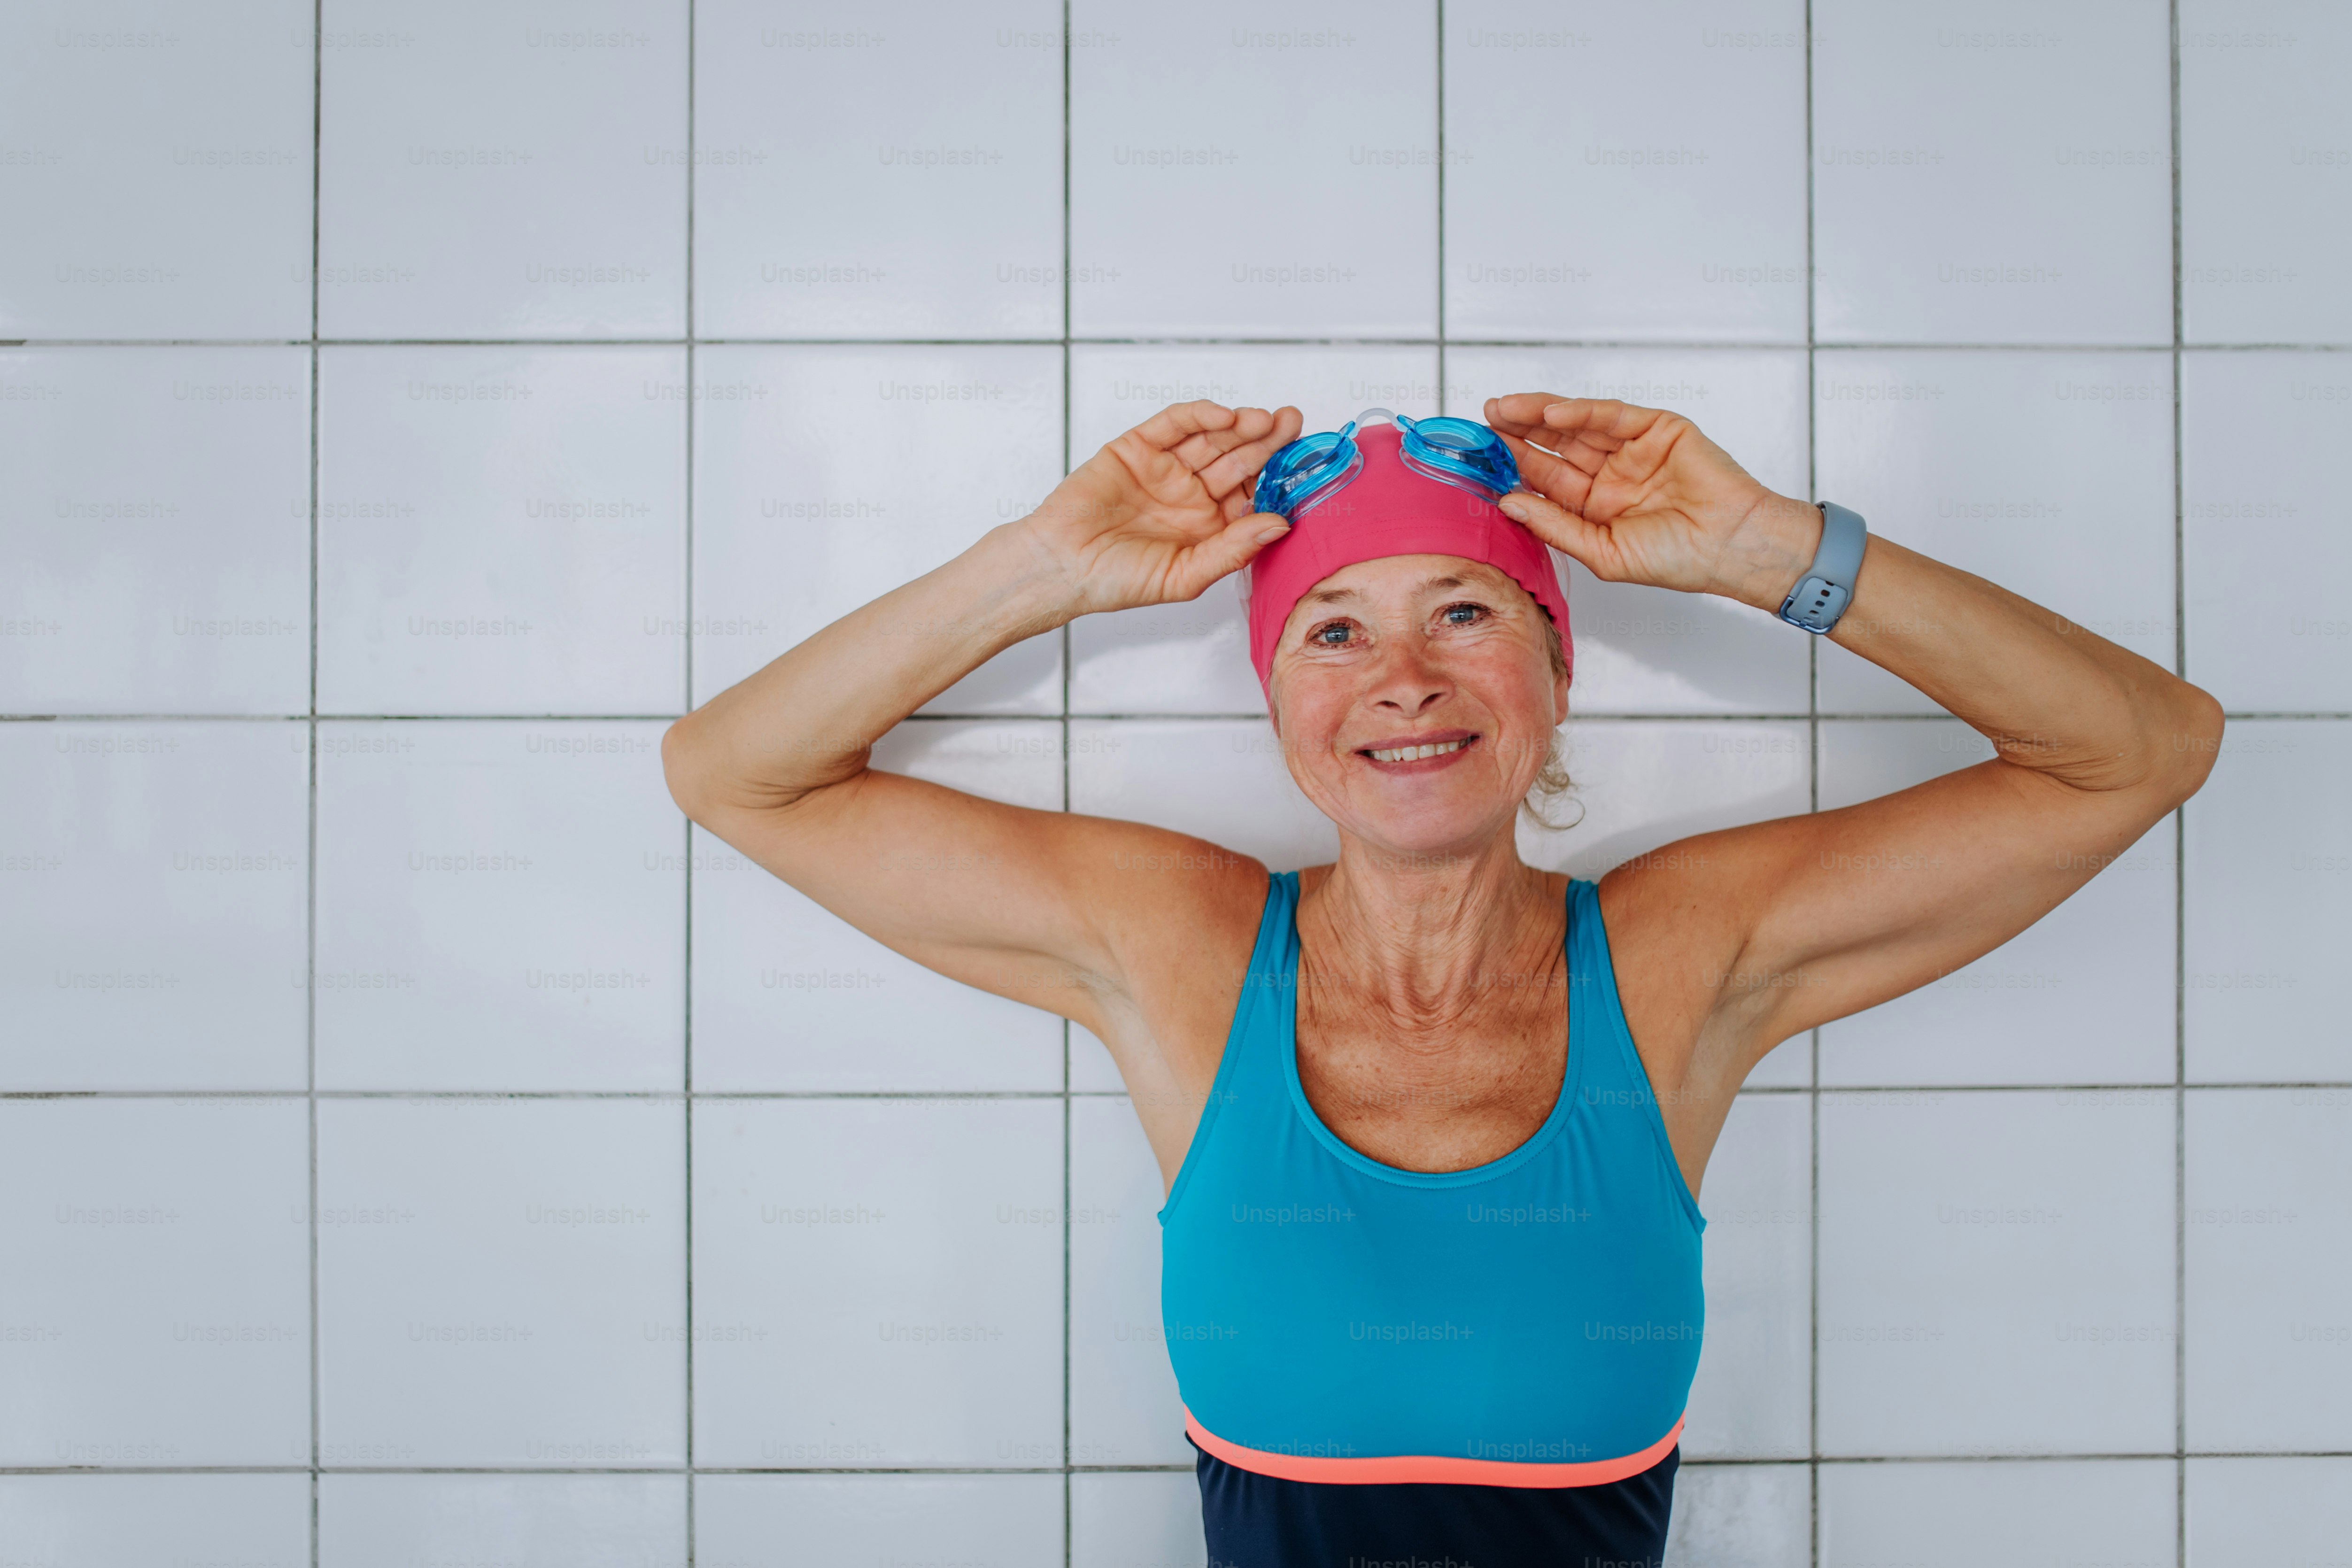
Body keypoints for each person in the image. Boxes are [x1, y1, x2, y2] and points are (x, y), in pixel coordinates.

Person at [661, 395, 2223, 1565]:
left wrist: (1767, 551)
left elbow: (2144, 749)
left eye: (1464, 615)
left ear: (1557, 670)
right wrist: (1039, 569)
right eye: (1333, 631)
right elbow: (736, 771)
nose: (1402, 679)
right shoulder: (1182, 946)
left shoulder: (1680, 957)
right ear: (1278, 704)